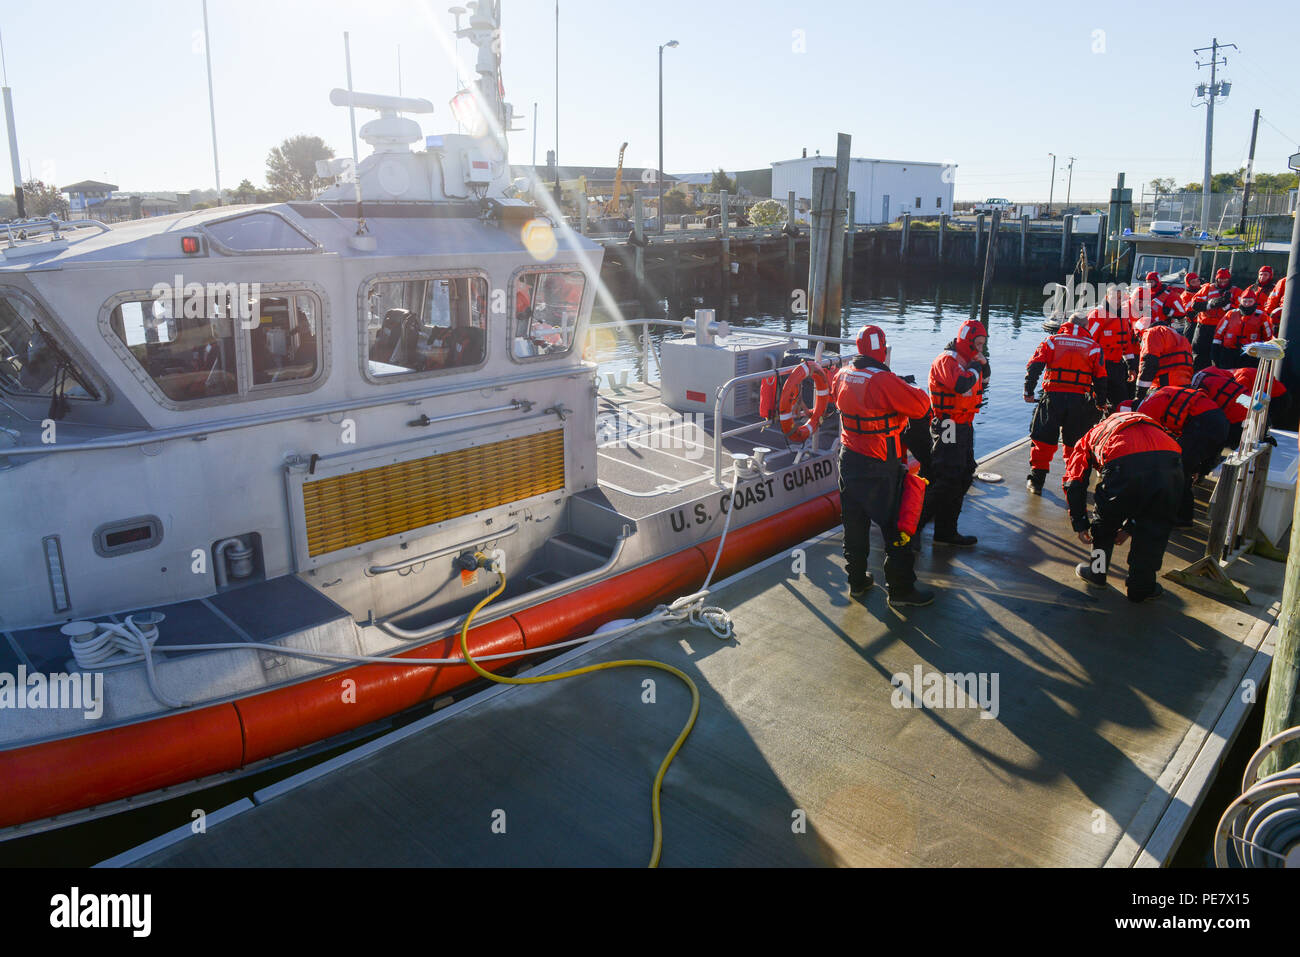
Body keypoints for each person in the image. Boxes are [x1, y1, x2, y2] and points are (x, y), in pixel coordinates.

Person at [831, 324, 936, 607]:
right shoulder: (882, 380)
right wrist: (907, 387)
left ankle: (856, 582)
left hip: (848, 461)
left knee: (853, 524)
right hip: (879, 465)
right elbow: (922, 406)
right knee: (896, 527)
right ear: (882, 349)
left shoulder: (842, 373)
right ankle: (901, 591)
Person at [1064, 412, 1183, 602]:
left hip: (1123, 459)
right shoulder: (1147, 424)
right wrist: (1130, 527)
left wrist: (1080, 523)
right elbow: (1148, 493)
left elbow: (1074, 483)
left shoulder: (1088, 439)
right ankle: (1141, 588)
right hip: (1171, 460)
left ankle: (1097, 574)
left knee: (1104, 523)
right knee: (1154, 525)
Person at [1024, 320, 1107, 494]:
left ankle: (1036, 481)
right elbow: (1100, 377)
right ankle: (1074, 482)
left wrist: (1029, 390)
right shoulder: (1094, 346)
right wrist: (1100, 401)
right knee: (1075, 444)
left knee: (1043, 440)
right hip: (1079, 400)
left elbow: (1035, 366)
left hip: (1052, 397)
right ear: (1085, 326)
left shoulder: (1051, 341)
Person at [926, 319, 990, 546]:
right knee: (947, 479)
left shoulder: (969, 360)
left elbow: (983, 382)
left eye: (983, 344)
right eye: (978, 344)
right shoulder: (948, 360)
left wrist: (983, 364)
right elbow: (960, 384)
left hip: (964, 425)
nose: (981, 348)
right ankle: (912, 528)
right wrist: (976, 366)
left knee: (964, 475)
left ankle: (946, 532)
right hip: (948, 426)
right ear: (968, 341)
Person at [1137, 386, 1229, 527]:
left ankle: (1182, 518)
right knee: (1187, 467)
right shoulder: (1162, 394)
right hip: (1219, 420)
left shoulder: (1143, 412)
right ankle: (1183, 514)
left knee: (1178, 469)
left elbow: (1147, 443)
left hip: (1202, 423)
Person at [1084, 285, 1138, 409]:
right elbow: (1088, 341)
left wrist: (1131, 366)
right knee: (1094, 402)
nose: (1118, 301)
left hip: (1117, 366)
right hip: (1100, 366)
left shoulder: (1123, 317)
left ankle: (1115, 424)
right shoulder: (1097, 315)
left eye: (1120, 298)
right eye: (1114, 298)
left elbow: (1127, 344)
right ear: (1107, 297)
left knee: (1121, 402)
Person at [1188, 268, 1241, 370]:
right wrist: (1211, 303)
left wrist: (1227, 307)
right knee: (1199, 354)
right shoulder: (1207, 288)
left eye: (1225, 279)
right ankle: (1197, 376)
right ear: (1216, 279)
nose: (1223, 281)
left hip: (1223, 328)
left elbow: (1241, 310)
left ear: (1229, 279)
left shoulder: (1236, 291)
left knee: (1219, 355)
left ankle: (1217, 377)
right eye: (1220, 279)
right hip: (1204, 326)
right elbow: (1195, 304)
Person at [1135, 311, 1194, 401]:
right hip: (1186, 385)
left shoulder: (1152, 332)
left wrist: (1139, 395)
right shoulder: (1181, 337)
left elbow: (1149, 363)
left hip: (1165, 386)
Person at [1193, 366, 1251, 450]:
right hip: (1245, 396)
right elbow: (1231, 377)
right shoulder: (1209, 370)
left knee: (1232, 444)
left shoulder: (1196, 389)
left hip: (1233, 414)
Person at [1212, 292, 1273, 370]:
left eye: (1250, 301)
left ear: (1254, 302)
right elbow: (1219, 333)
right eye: (1245, 301)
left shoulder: (1262, 316)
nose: (1247, 304)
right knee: (1226, 375)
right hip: (1228, 353)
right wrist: (1215, 349)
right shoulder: (1231, 314)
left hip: (1250, 354)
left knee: (1245, 377)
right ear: (1241, 301)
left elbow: (1268, 336)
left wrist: (1265, 353)